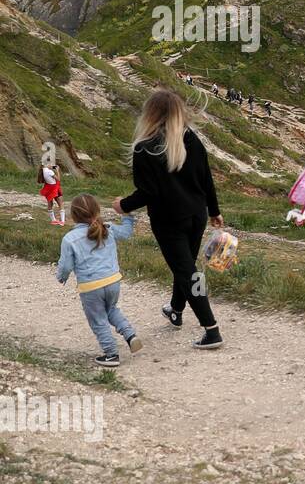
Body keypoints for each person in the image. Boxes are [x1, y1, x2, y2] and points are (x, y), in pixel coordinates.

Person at [114, 90, 225, 350]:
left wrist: (123, 205)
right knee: (185, 266)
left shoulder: (144, 148)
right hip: (196, 214)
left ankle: (211, 329)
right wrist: (214, 211)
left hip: (168, 220)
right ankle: (176, 310)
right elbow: (207, 179)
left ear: (150, 113)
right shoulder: (192, 138)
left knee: (187, 272)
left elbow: (148, 193)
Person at [57, 195, 143, 369]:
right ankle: (130, 335)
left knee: (98, 319)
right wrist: (127, 216)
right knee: (111, 309)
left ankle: (111, 354)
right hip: (113, 281)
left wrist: (62, 276)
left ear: (73, 215)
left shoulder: (70, 239)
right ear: (97, 211)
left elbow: (66, 265)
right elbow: (126, 233)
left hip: (91, 287)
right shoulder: (108, 228)